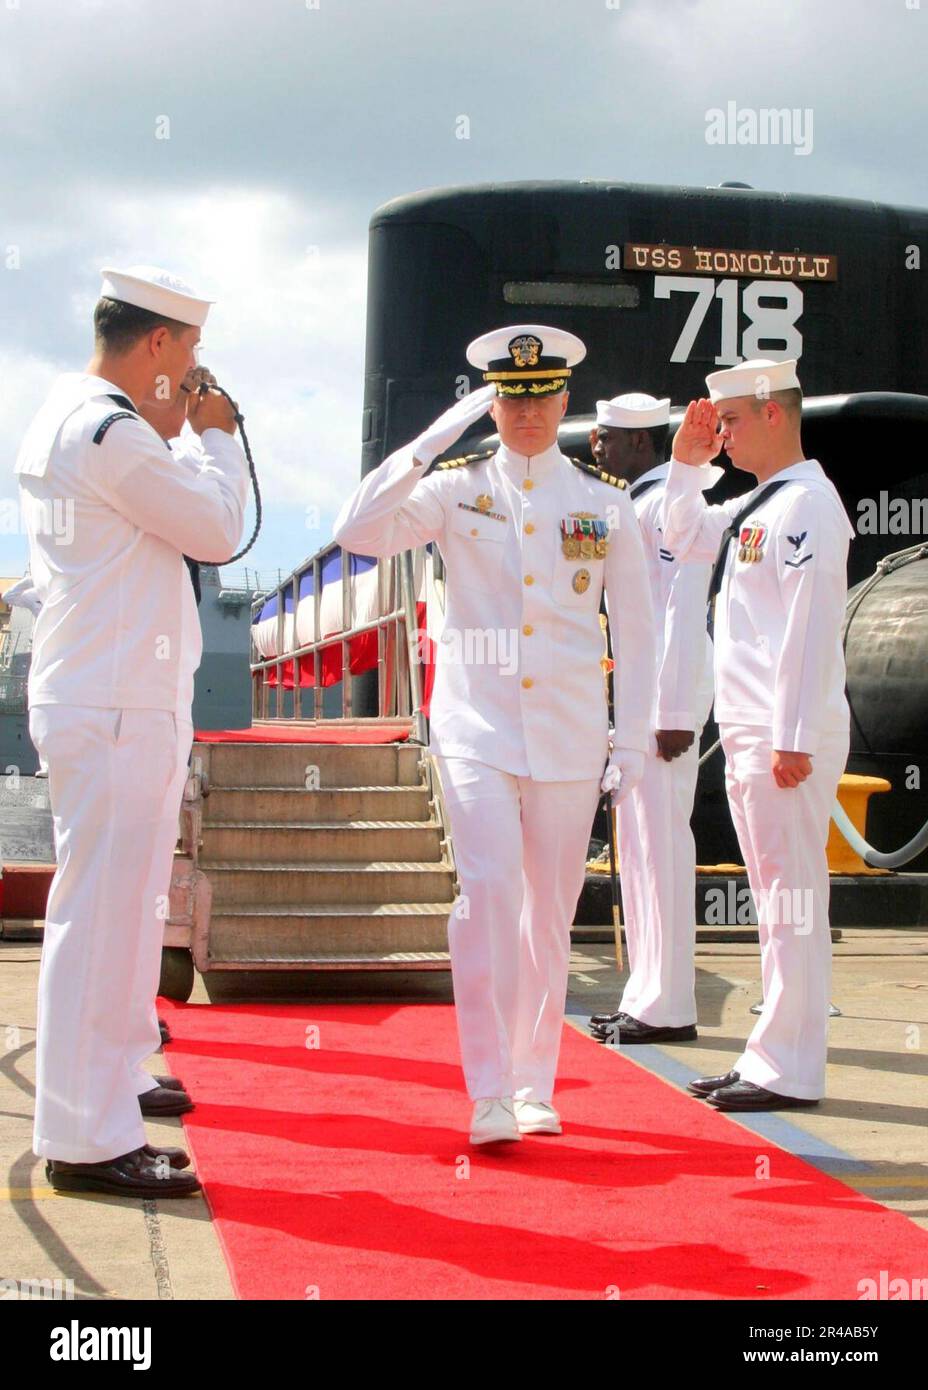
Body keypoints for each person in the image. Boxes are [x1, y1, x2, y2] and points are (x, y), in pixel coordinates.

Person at [333, 324, 656, 1143]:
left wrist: (634, 739)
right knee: (487, 899)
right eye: (511, 400)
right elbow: (358, 531)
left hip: (571, 731)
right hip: (476, 724)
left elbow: (640, 631)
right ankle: (487, 1090)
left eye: (541, 396)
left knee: (548, 913)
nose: (528, 414)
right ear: (493, 404)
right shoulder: (453, 486)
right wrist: (434, 438)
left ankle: (533, 1082)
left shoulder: (602, 502)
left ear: (565, 398)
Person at [15, 264, 250, 1195]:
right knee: (103, 921)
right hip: (114, 702)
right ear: (156, 344)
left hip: (116, 696)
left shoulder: (80, 416)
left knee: (124, 915)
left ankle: (108, 1087)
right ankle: (83, 1137)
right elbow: (218, 529)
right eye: (188, 354)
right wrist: (217, 440)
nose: (195, 377)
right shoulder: (110, 429)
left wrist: (184, 430)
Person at [662, 358, 854, 1111]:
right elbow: (680, 536)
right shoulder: (760, 505)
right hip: (752, 732)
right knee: (778, 903)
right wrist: (687, 464)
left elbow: (809, 631)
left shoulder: (807, 505)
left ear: (773, 411)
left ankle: (791, 1068)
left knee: (794, 902)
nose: (725, 435)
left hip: (782, 736)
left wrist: (795, 735)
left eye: (733, 421)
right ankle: (774, 1057)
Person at [585, 393, 716, 1045]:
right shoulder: (636, 503)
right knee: (637, 851)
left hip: (669, 696)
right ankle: (646, 993)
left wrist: (657, 717)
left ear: (640, 443)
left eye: (606, 437)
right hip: (646, 698)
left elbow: (676, 617)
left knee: (660, 849)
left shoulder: (667, 504)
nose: (596, 447)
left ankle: (669, 1005)